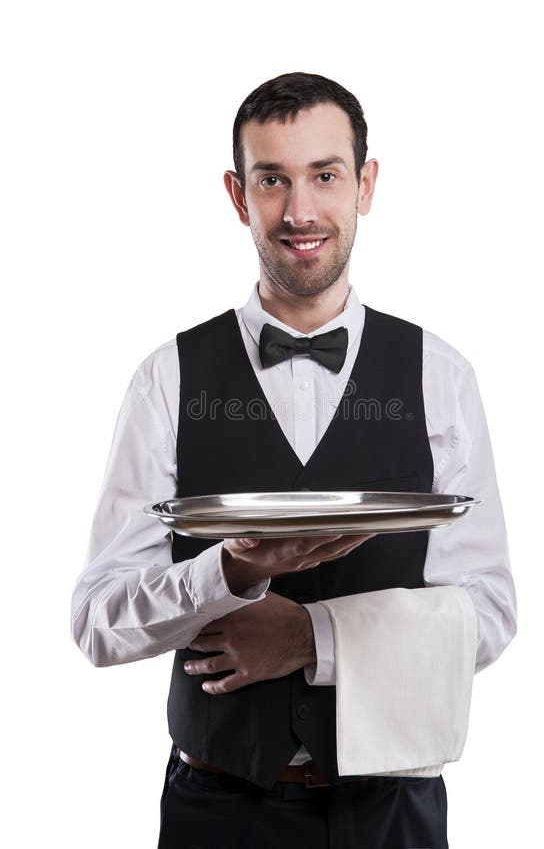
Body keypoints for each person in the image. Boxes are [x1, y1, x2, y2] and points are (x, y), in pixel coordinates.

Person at [71, 72, 517, 849]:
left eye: (324, 175)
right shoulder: (168, 378)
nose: (300, 211)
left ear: (365, 184)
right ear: (238, 196)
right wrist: (229, 574)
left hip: (394, 809)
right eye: (272, 179)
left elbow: (487, 611)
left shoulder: (439, 376)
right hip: (216, 807)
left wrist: (314, 637)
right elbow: (98, 622)